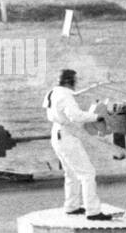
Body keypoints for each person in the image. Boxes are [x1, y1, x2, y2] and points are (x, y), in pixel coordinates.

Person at [44, 69, 116, 220]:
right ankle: (93, 211)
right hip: (66, 135)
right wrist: (97, 117)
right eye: (75, 81)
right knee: (87, 173)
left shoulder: (53, 92)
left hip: (57, 133)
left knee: (71, 173)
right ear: (70, 81)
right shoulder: (65, 96)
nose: (76, 84)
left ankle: (72, 206)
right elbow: (75, 116)